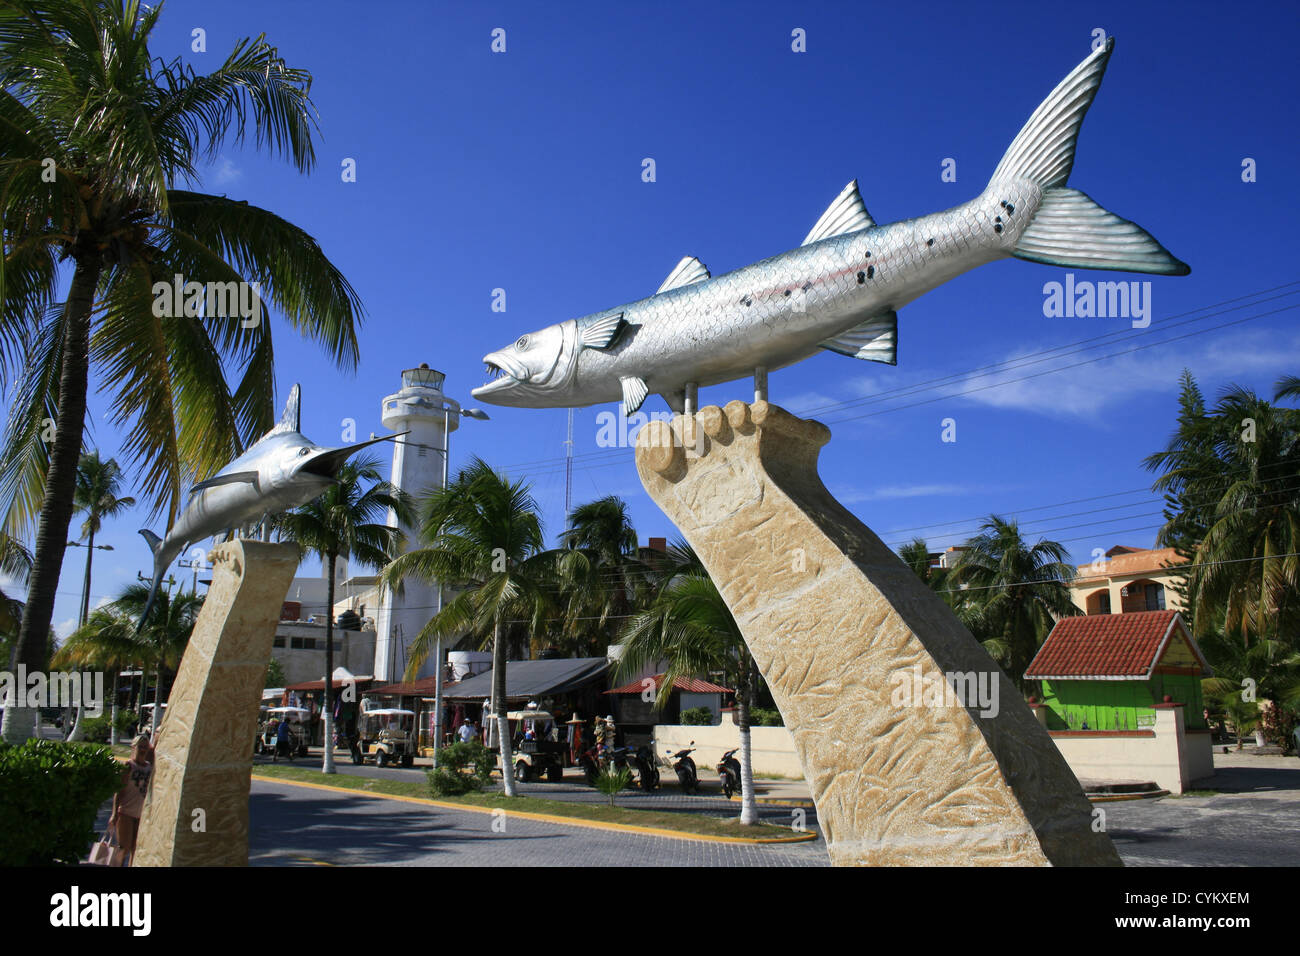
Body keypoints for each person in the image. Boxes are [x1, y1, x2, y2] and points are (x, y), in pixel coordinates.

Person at [108, 735, 153, 866]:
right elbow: (119, 791)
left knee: (136, 849)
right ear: (133, 747)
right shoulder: (129, 766)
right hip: (126, 812)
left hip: (140, 814)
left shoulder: (149, 767)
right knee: (124, 848)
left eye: (145, 747)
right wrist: (114, 813)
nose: (143, 750)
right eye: (140, 746)